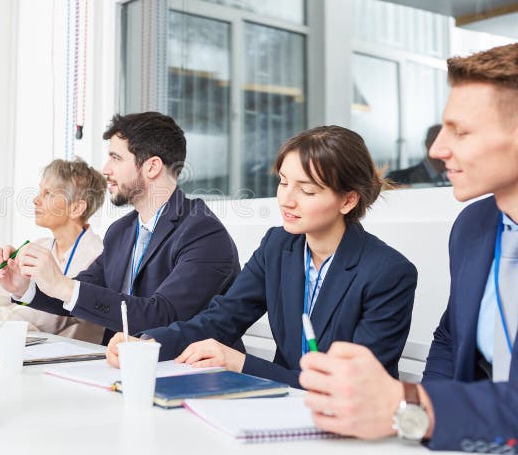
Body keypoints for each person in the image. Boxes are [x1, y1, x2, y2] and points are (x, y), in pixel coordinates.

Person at [299, 43, 518, 451]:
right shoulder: (473, 227)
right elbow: (451, 341)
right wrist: (420, 427)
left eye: (462, 131)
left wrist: (411, 403)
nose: (436, 150)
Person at [105, 125, 418, 387]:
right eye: (282, 183)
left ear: (348, 200)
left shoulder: (388, 273)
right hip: (282, 408)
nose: (287, 200)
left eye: (306, 191)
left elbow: (351, 385)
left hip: (350, 425)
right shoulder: (278, 246)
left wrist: (241, 363)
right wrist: (147, 343)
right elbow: (221, 320)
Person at [0, 112, 240, 346]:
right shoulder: (121, 231)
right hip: (122, 365)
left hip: (192, 374)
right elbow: (84, 290)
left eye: (116, 158)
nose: (105, 169)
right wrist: (23, 287)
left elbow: (162, 315)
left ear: (152, 167)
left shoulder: (203, 233)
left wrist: (62, 284)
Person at [0, 158, 106, 343]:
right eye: (40, 192)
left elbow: (51, 318)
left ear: (76, 208)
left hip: (73, 362)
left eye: (48, 194)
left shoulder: (97, 257)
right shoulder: (41, 246)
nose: (35, 200)